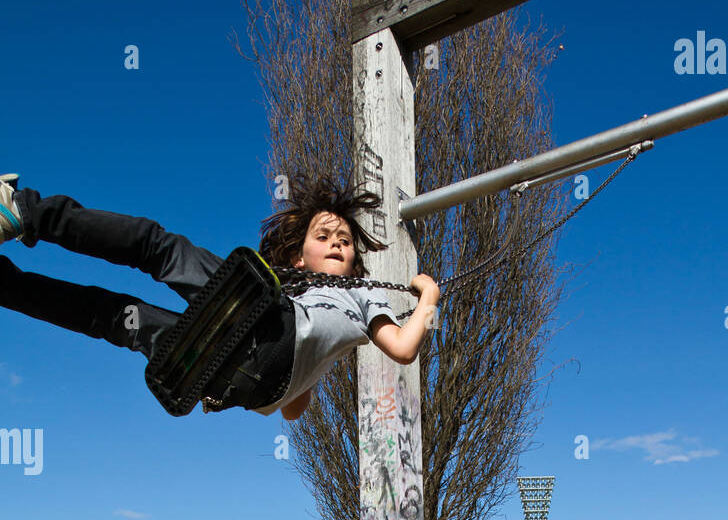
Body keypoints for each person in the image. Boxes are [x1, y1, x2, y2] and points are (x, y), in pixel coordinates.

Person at [0, 173, 439, 419]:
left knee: (161, 248)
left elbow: (402, 347)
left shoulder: (362, 296)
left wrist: (427, 299)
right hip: (237, 372)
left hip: (269, 336)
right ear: (299, 257)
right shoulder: (296, 291)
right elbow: (291, 411)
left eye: (344, 240)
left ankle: (23, 212)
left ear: (353, 262)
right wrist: (312, 369)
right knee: (118, 318)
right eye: (323, 236)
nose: (337, 243)